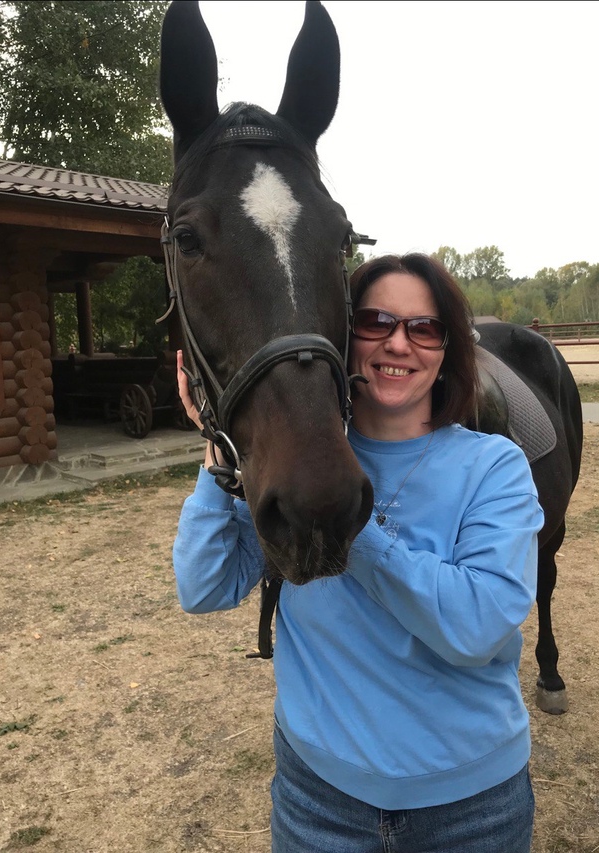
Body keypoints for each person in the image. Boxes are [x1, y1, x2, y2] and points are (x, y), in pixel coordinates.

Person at [173, 252, 544, 853]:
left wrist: (347, 517)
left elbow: (475, 628)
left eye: (424, 328)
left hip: (469, 811)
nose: (399, 344)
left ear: (447, 349)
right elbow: (204, 588)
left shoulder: (493, 468)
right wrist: (221, 451)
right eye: (376, 322)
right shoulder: (290, 471)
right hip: (317, 799)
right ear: (342, 337)